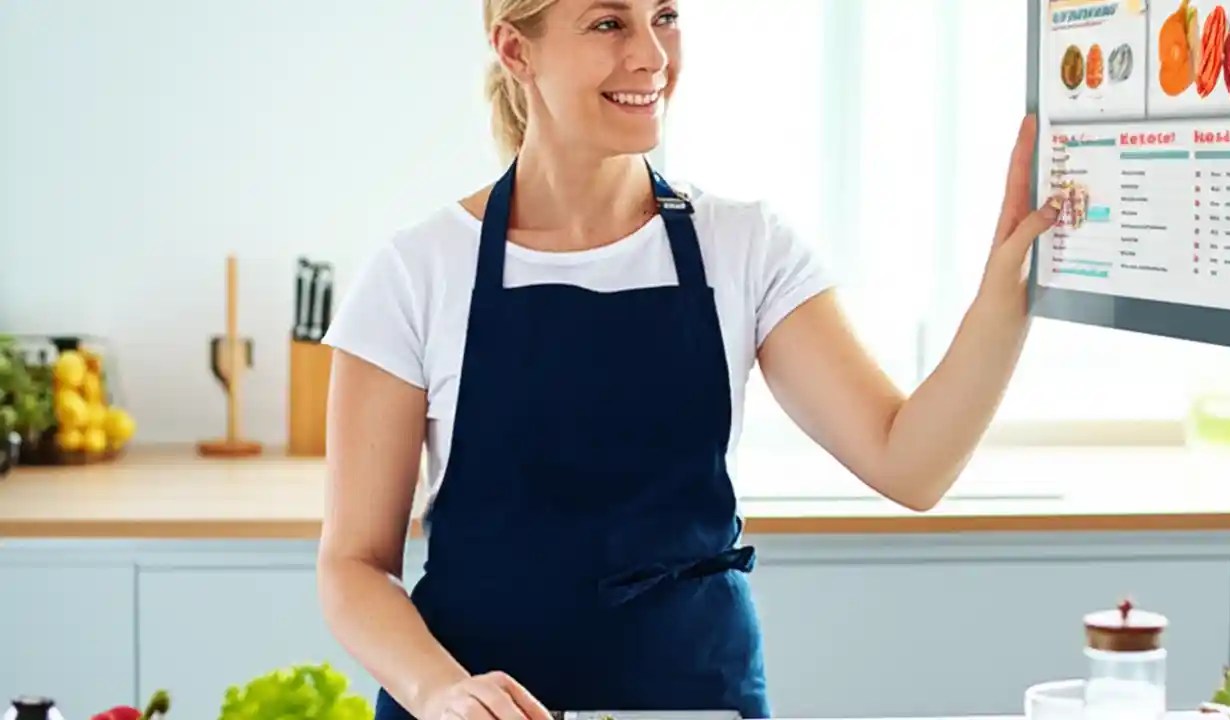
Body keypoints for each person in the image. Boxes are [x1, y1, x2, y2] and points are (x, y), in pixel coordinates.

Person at [316, 1, 1065, 719]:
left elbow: (912, 464)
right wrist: (440, 692)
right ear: (517, 50)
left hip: (693, 690)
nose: (651, 55)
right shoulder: (418, 272)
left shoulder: (743, 245)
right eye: (610, 22)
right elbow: (353, 563)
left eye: (665, 16)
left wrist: (1005, 294)